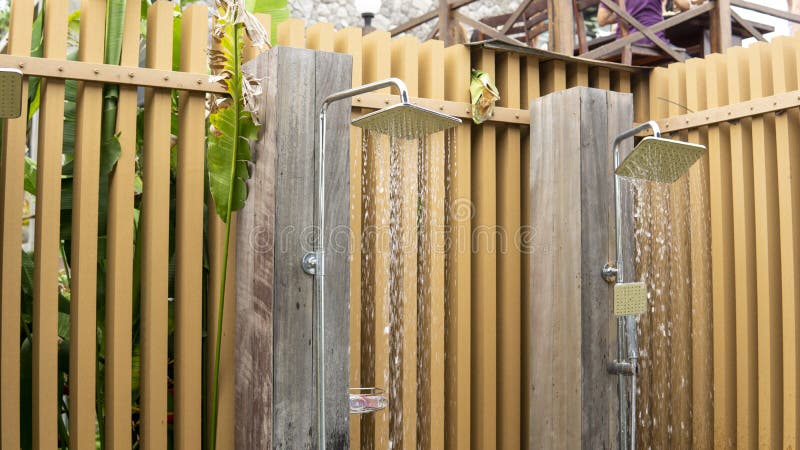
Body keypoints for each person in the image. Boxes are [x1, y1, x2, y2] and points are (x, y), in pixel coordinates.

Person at [597, 0, 691, 46]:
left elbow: (602, 20)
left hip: (622, 44)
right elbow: (685, 6)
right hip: (653, 41)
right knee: (691, 66)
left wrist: (626, 14)